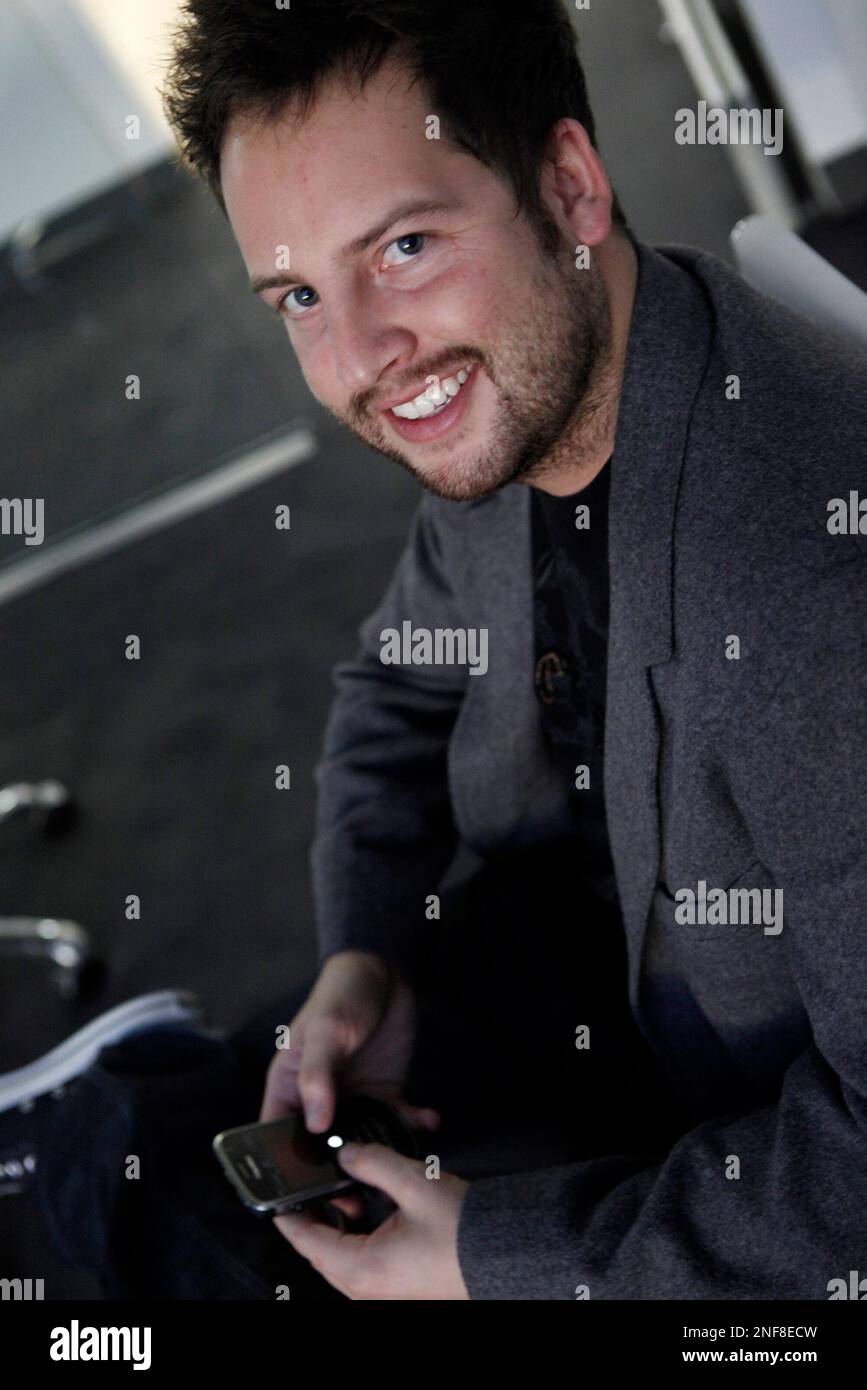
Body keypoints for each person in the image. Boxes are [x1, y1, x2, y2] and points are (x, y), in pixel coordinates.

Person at [4, 0, 864, 1300]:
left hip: (730, 1136)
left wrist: (484, 1256)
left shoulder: (804, 587)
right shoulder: (532, 391)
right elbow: (392, 691)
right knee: (180, 1169)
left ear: (571, 186)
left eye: (404, 246)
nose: (360, 360)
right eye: (299, 294)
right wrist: (368, 953)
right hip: (583, 942)